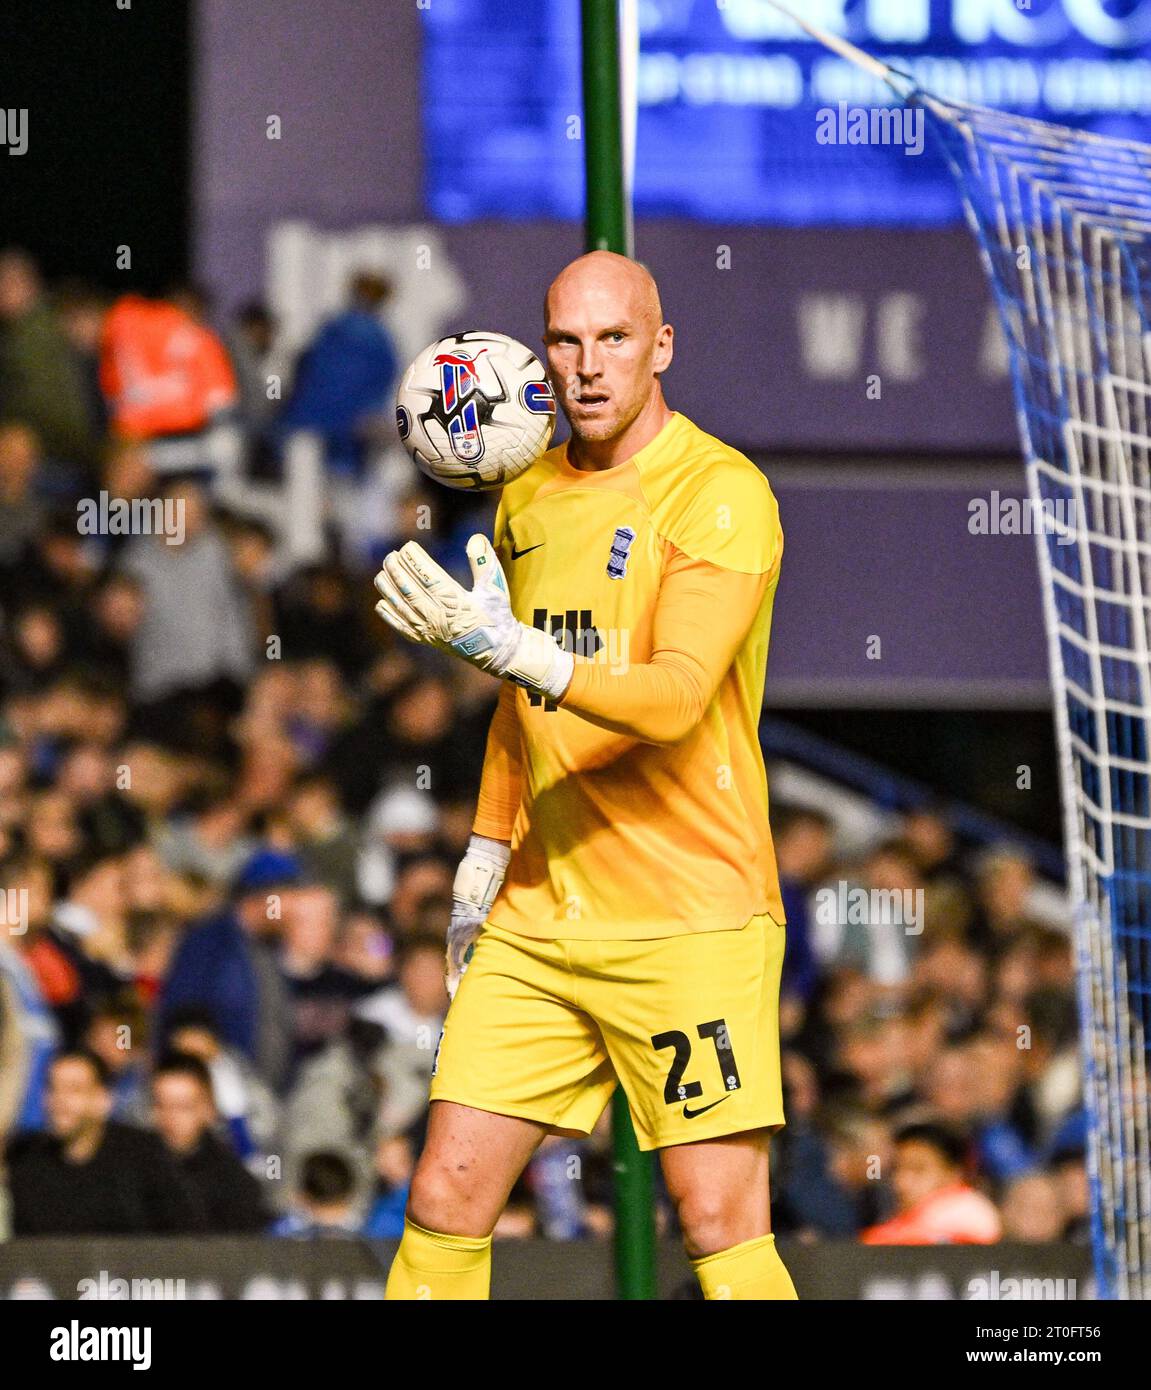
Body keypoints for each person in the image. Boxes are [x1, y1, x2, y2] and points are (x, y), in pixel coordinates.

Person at [373, 251, 792, 1300]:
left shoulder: (720, 493)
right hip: (537, 914)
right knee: (442, 1198)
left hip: (688, 918)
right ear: (539, 355)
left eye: (613, 339)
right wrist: (480, 854)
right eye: (565, 340)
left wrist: (514, 650)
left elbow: (674, 696)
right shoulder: (523, 492)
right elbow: (523, 709)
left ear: (660, 348)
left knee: (718, 1225)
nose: (587, 365)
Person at [5, 1050, 206, 1235]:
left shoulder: (143, 1157)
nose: (60, 1100)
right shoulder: (27, 1162)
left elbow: (184, 1238)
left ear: (103, 1099)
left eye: (74, 1090)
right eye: (53, 1088)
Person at [151, 1052, 271, 1233]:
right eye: (161, 1105)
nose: (170, 1118)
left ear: (208, 1109)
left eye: (183, 1107)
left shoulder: (235, 1185)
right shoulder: (127, 1169)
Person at [860, 1121, 1002, 1246]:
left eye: (918, 1169)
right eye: (897, 1169)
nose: (901, 1181)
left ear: (954, 1173)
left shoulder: (970, 1209)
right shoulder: (902, 1214)